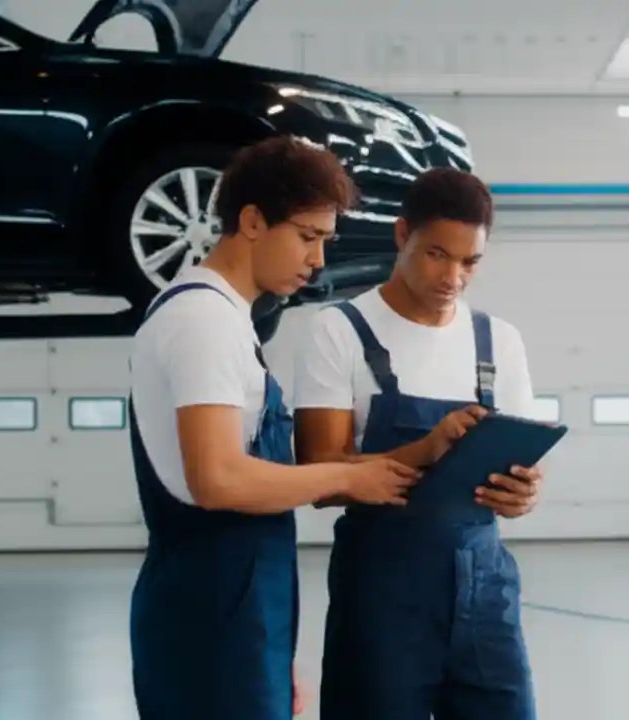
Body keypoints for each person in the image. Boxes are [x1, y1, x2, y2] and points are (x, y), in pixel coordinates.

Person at [126, 135, 420, 720]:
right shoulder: (202, 321)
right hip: (211, 610)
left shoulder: (228, 320)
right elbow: (217, 480)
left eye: (324, 242)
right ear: (253, 221)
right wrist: (345, 480)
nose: (317, 261)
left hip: (240, 609)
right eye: (307, 238)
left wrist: (272, 645)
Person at [293, 167, 543, 720]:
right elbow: (317, 476)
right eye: (437, 254)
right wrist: (422, 450)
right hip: (382, 596)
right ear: (402, 235)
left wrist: (521, 494)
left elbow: (519, 457)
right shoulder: (340, 331)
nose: (453, 276)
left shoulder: (500, 340)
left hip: (485, 590)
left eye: (470, 261)